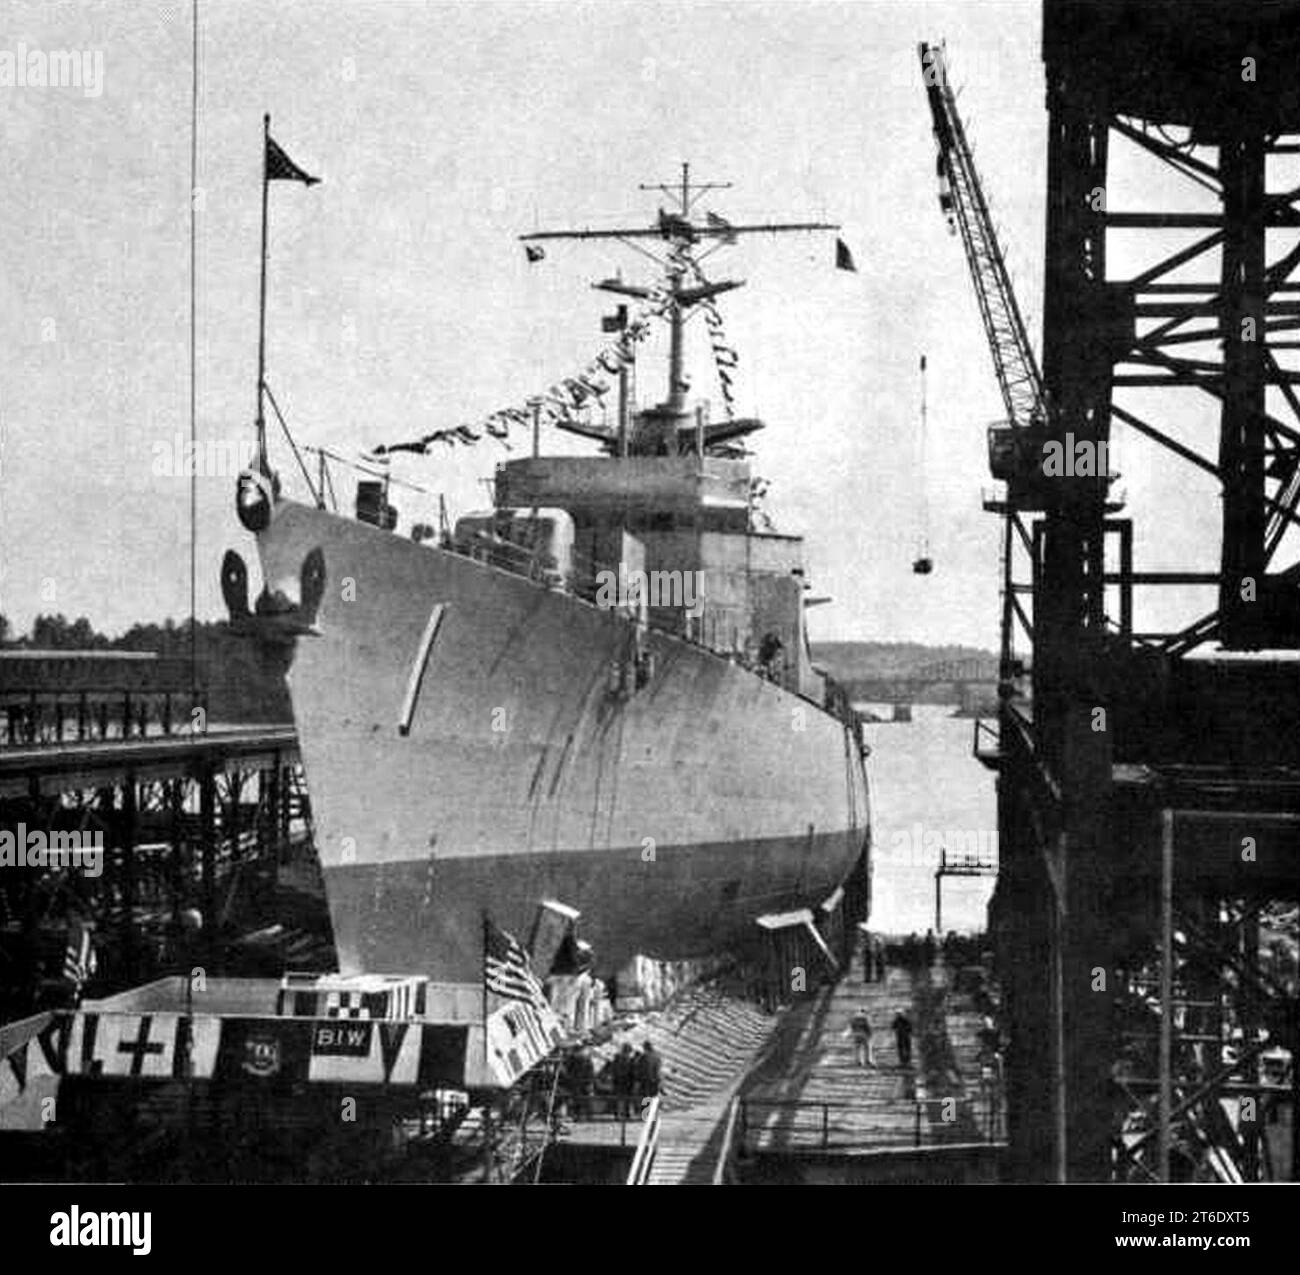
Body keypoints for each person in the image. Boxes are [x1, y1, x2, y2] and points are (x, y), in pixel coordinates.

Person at [611, 1042, 636, 1119]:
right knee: (627, 1099)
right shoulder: (630, 1060)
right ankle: (627, 1114)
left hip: (619, 1082)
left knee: (619, 1099)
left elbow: (613, 1071)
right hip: (627, 1082)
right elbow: (633, 1072)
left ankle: (618, 1114)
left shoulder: (616, 1059)